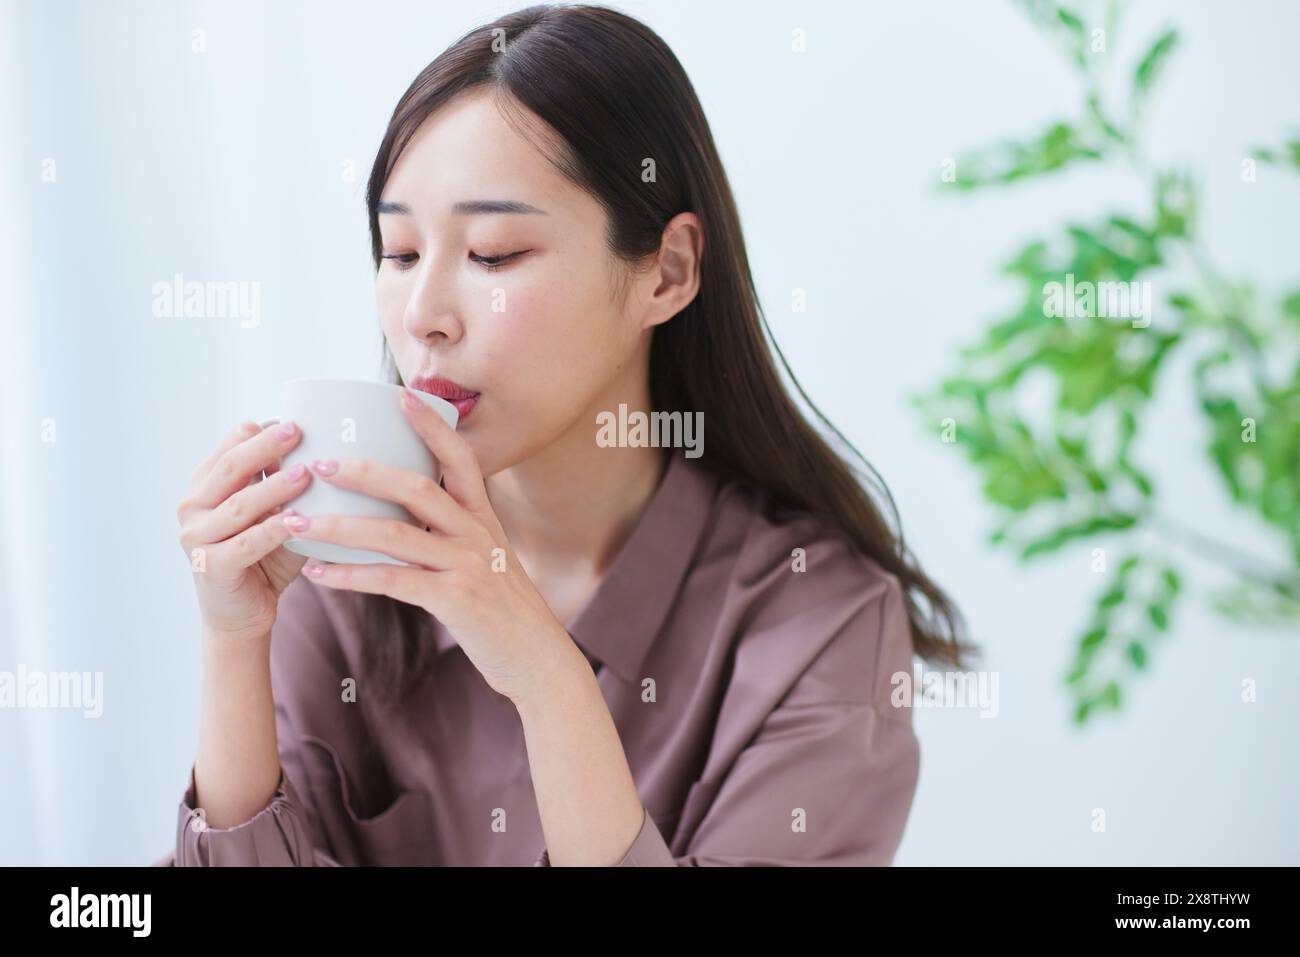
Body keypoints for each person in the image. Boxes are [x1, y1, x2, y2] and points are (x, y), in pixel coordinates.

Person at [163, 2, 970, 867]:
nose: (425, 316)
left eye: (496, 254)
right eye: (399, 253)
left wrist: (548, 681)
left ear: (666, 271)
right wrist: (234, 642)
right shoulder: (344, 564)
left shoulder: (822, 621)